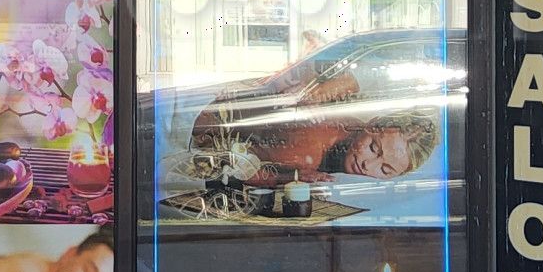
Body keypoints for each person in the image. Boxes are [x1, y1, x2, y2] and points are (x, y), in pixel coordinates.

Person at [187, 58, 440, 188]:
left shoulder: (351, 123)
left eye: (385, 170)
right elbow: (230, 165)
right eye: (374, 148)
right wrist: (290, 177)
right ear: (371, 124)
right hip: (192, 125)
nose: (367, 164)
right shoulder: (306, 151)